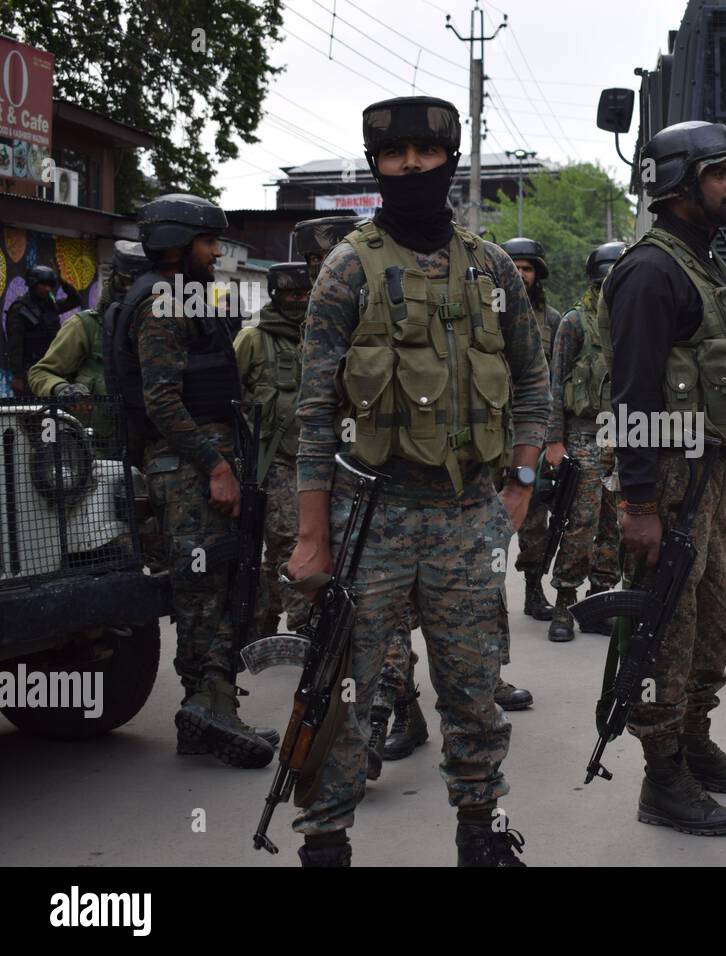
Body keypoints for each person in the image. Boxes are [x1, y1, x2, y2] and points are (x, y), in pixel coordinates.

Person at [286, 96, 550, 866]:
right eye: (394, 155)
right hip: (371, 514)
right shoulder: (346, 271)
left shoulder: (494, 269)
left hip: (468, 516)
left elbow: (533, 383)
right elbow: (312, 416)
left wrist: (522, 482)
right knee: (345, 689)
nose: (410, 166)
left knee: (473, 685)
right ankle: (326, 842)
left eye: (424, 154)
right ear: (376, 165)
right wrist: (311, 538)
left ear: (450, 162)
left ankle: (481, 832)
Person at [600, 121, 726, 836]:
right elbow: (633, 395)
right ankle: (661, 775)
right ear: (675, 184)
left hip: (713, 477)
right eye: (720, 173)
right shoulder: (650, 271)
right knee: (665, 628)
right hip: (668, 483)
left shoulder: (708, 262)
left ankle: (694, 740)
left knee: (713, 620)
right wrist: (639, 501)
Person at [110, 193, 278, 767]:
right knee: (203, 589)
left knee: (222, 582)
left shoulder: (183, 299)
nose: (215, 251)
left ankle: (210, 710)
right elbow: (162, 402)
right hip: (187, 470)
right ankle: (209, 709)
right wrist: (216, 466)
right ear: (176, 245)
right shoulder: (160, 306)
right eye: (208, 242)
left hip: (199, 463)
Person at [543, 241, 625, 642]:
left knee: (616, 526)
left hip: (627, 436)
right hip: (584, 436)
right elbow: (555, 385)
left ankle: (600, 602)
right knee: (581, 524)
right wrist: (553, 441)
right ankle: (564, 603)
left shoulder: (637, 321)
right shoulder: (574, 323)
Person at [233, 262, 313, 639]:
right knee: (289, 543)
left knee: (281, 550)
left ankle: (261, 622)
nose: (299, 301)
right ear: (276, 296)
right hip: (273, 460)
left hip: (316, 459)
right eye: (291, 295)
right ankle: (303, 629)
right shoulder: (253, 339)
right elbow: (230, 394)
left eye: (304, 294)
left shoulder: (323, 336)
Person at [28, 241, 151, 448]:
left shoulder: (166, 327)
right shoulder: (87, 326)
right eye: (127, 283)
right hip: (100, 452)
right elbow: (40, 373)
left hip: (151, 445)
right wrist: (62, 389)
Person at [501, 235, 562, 628]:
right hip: (490, 430)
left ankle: (534, 587)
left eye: (527, 269)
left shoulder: (552, 320)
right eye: (515, 268)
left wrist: (555, 436)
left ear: (537, 275)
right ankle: (487, 599)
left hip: (531, 431)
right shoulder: (487, 310)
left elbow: (556, 380)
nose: (521, 275)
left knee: (535, 514)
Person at [5, 264, 83, 396]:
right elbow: (15, 345)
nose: (47, 289)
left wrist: (62, 282)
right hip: (30, 370)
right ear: (33, 284)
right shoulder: (20, 309)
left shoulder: (50, 305)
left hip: (51, 366)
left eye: (50, 285)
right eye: (43, 285)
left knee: (52, 411)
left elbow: (76, 300)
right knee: (31, 412)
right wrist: (18, 376)